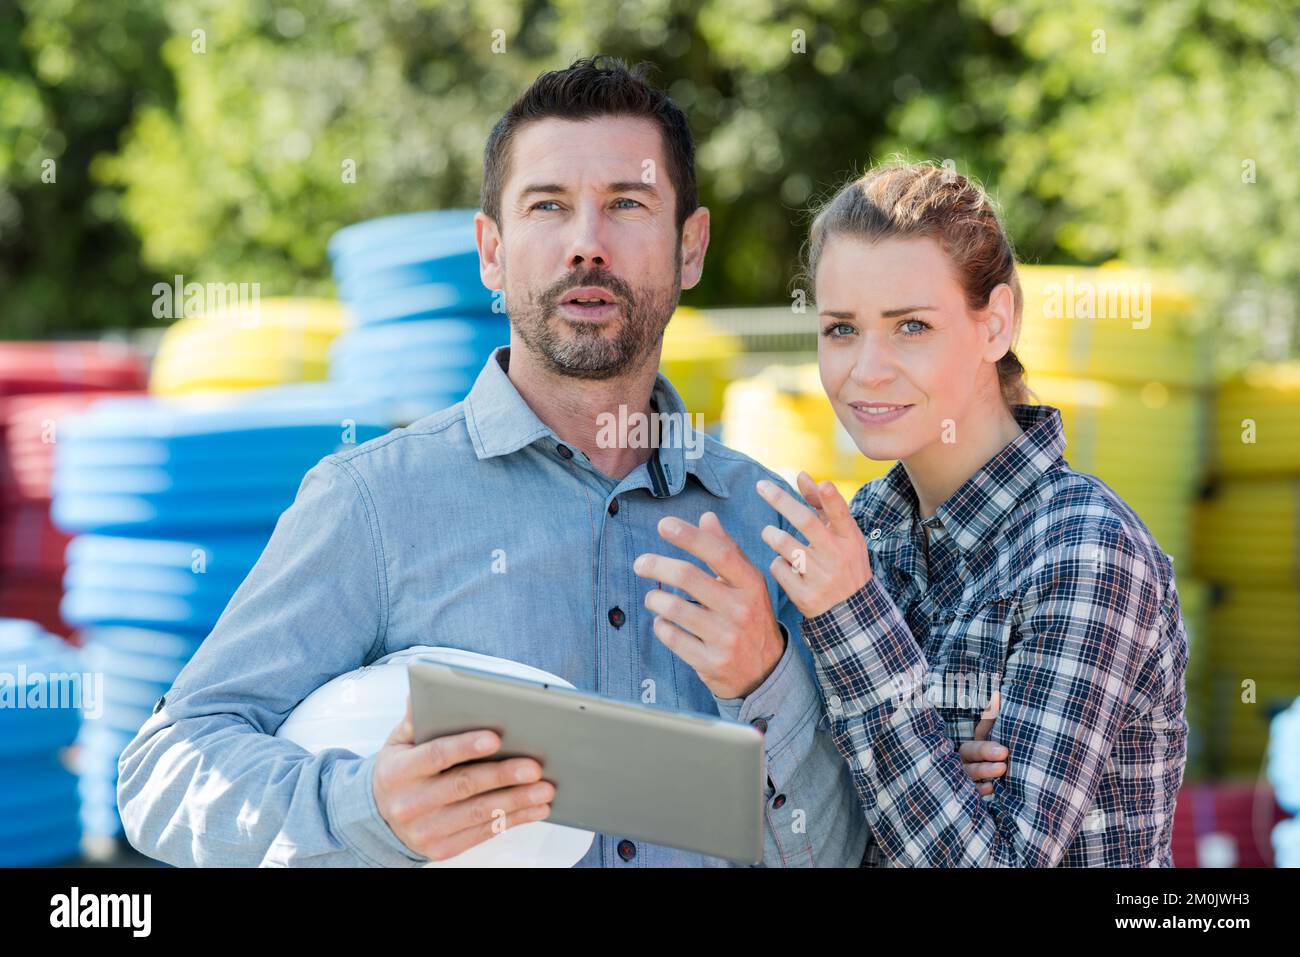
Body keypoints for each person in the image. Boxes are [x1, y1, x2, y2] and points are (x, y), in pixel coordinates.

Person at [117, 59, 1004, 868]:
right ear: (492, 252)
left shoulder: (775, 530)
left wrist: (766, 679)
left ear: (688, 247)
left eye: (627, 203)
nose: (588, 243)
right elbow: (163, 766)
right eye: (547, 205)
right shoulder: (374, 504)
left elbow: (834, 854)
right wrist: (365, 807)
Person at [742, 161, 1189, 865]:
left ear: (996, 324)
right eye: (840, 329)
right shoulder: (867, 536)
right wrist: (935, 758)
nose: (867, 368)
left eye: (912, 325)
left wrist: (855, 620)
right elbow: (820, 825)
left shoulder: (1085, 548)